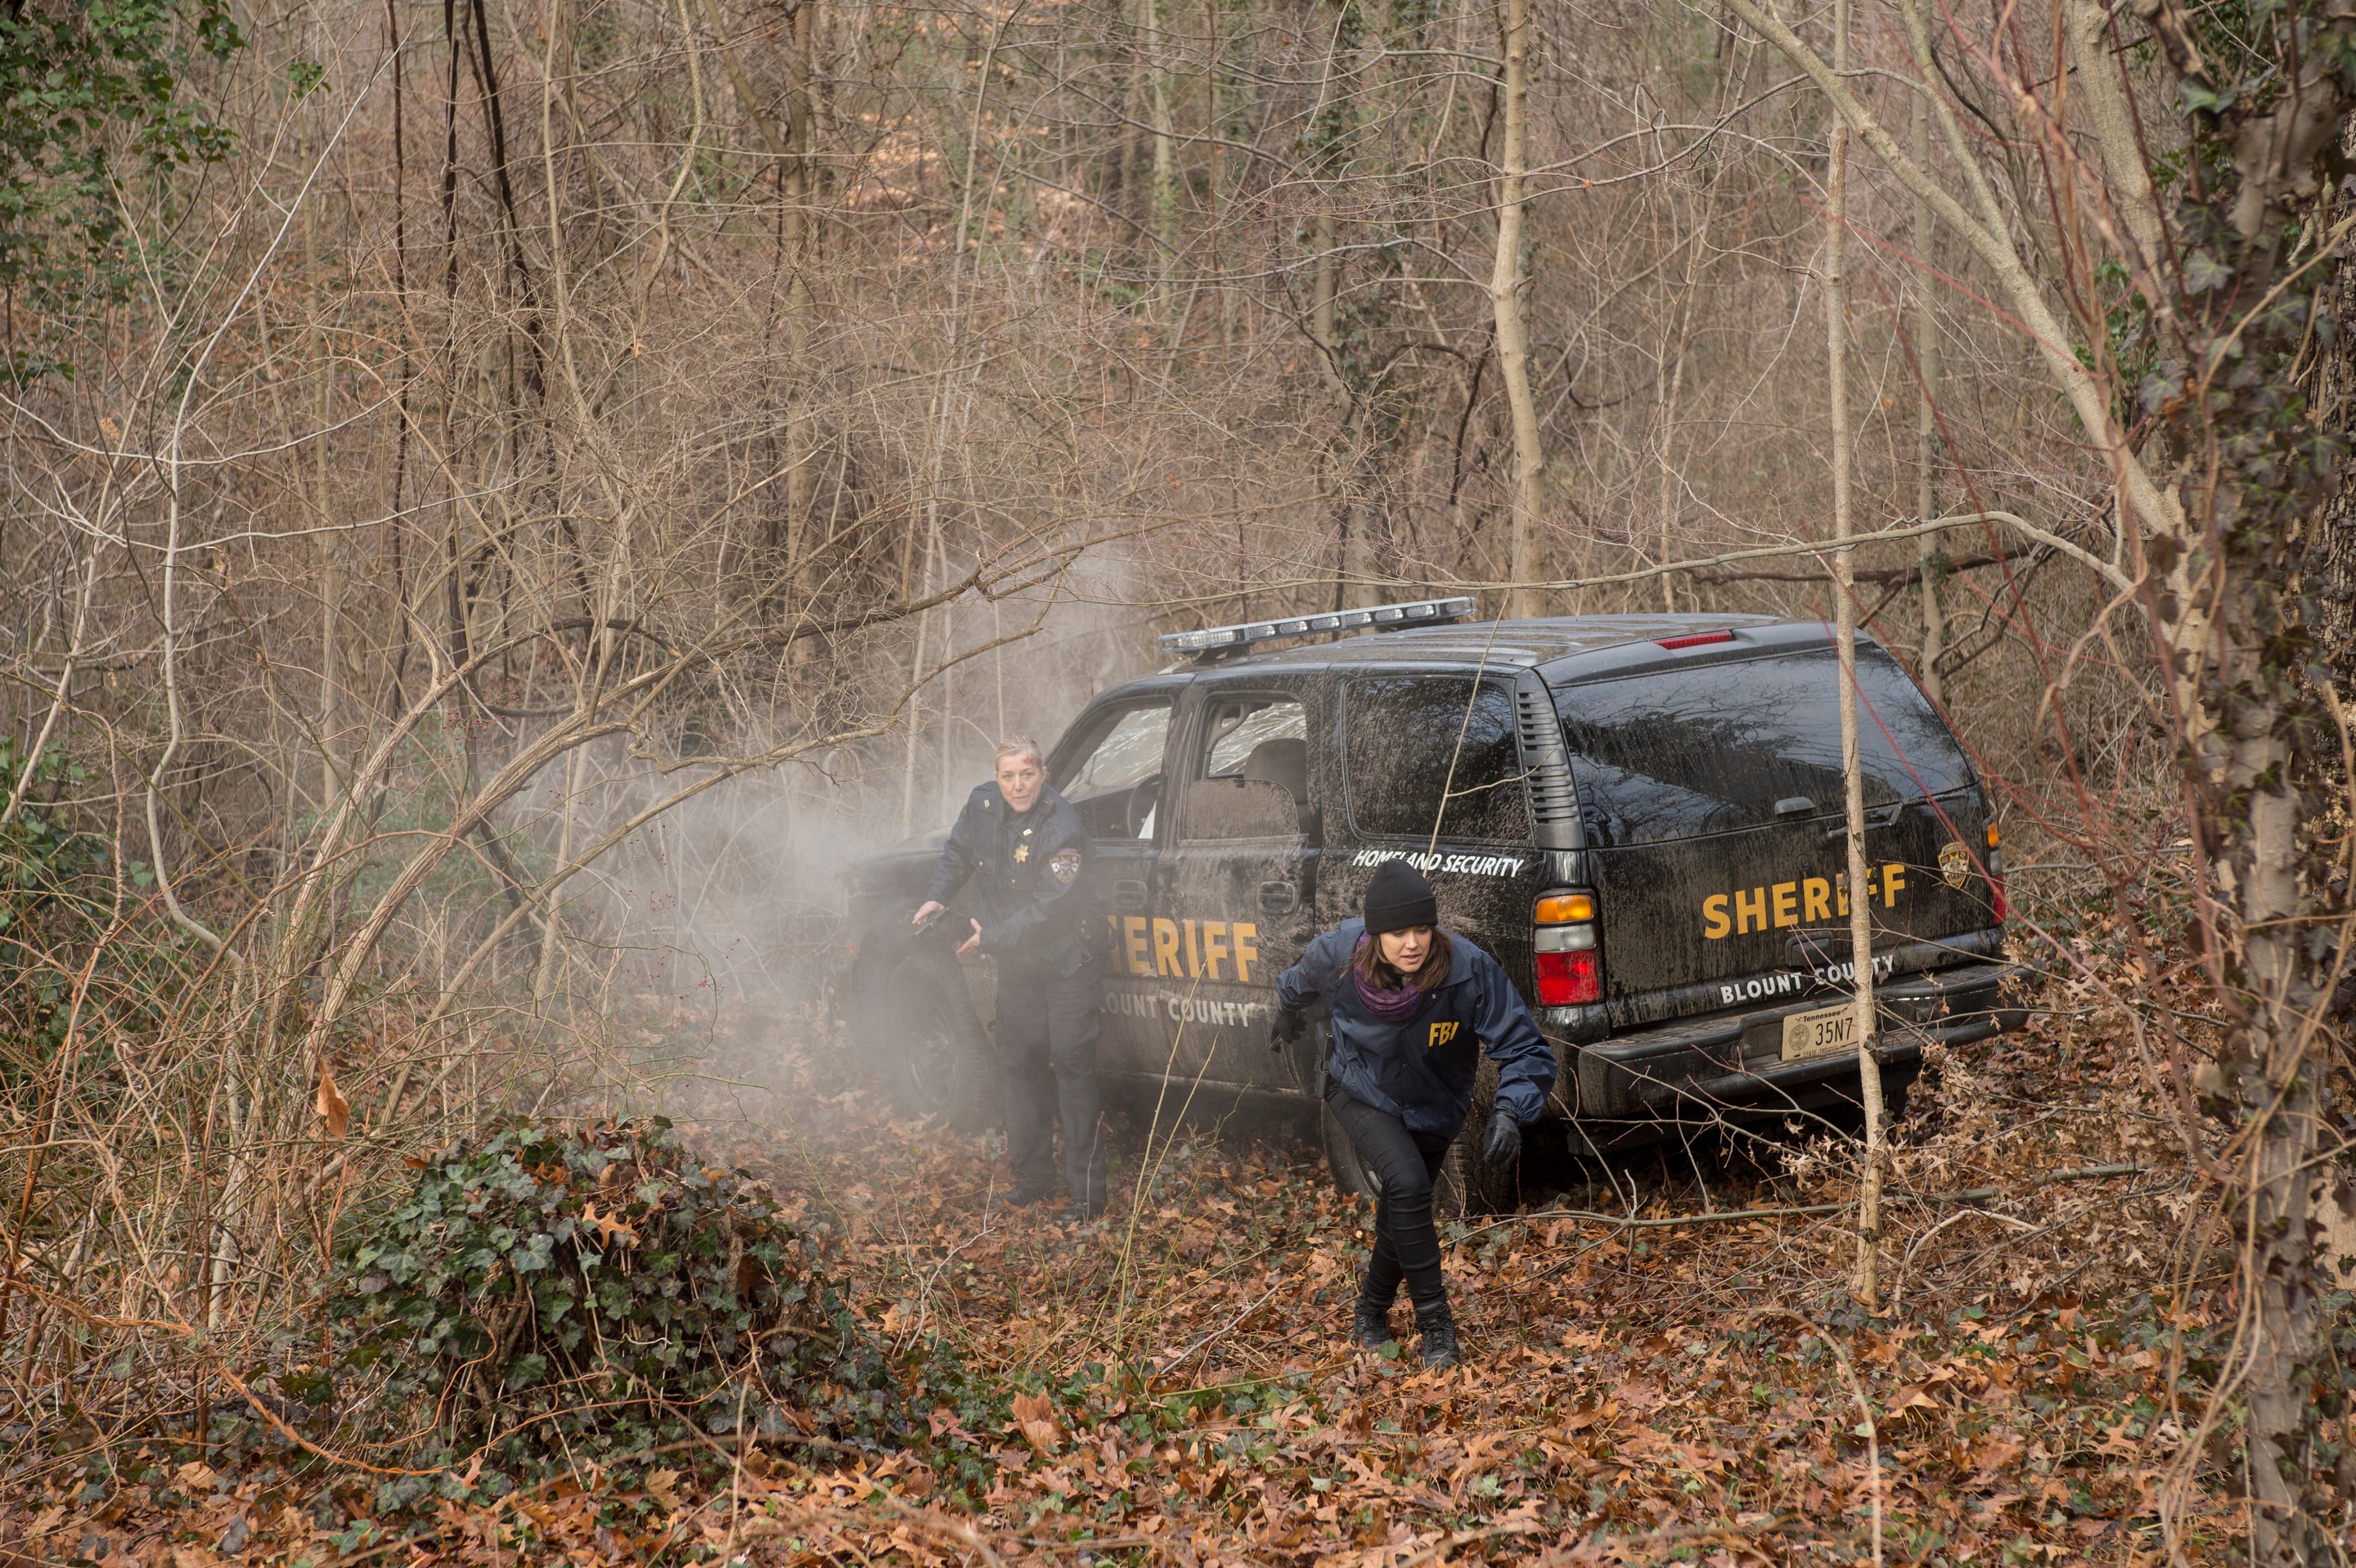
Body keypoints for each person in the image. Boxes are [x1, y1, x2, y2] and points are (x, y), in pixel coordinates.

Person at [1269, 860, 1555, 1368]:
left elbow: (1524, 1047)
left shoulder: (1467, 969)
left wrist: (1511, 1109)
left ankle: (1370, 1312)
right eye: (1398, 931)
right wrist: (1286, 1009)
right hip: (1357, 1087)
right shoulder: (1338, 957)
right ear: (1376, 934)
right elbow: (1299, 978)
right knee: (1408, 1185)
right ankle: (1437, 1329)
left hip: (1433, 1103)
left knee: (1402, 1213)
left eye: (1422, 928)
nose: (1413, 943)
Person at [913, 737, 1108, 1223]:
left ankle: (1087, 1198)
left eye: (1026, 775)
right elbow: (957, 852)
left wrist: (990, 938)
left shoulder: (1062, 828)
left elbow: (1051, 911)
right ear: (996, 777)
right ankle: (1033, 1179)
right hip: (1019, 963)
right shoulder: (982, 804)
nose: (1017, 786)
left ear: (1042, 773)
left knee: (1071, 1067)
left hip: (1068, 962)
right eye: (1007, 776)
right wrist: (939, 896)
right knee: (1018, 1064)